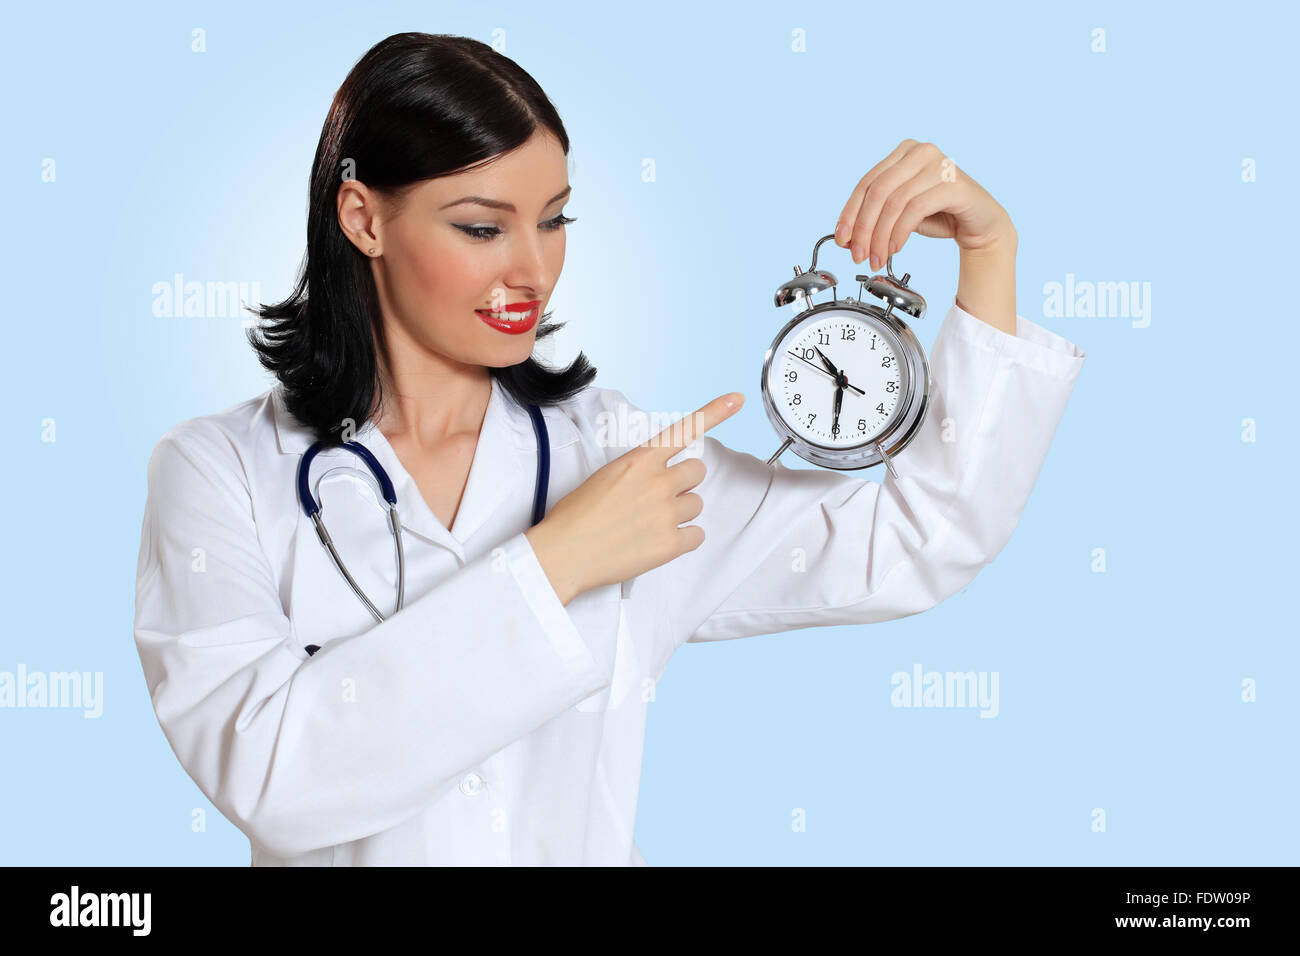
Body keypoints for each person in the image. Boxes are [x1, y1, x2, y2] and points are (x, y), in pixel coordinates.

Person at [132, 32, 1086, 866]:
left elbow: (919, 536)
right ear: (363, 218)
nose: (532, 270)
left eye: (553, 220)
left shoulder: (615, 453)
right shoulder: (218, 472)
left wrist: (990, 253)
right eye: (480, 226)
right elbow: (270, 778)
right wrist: (558, 562)